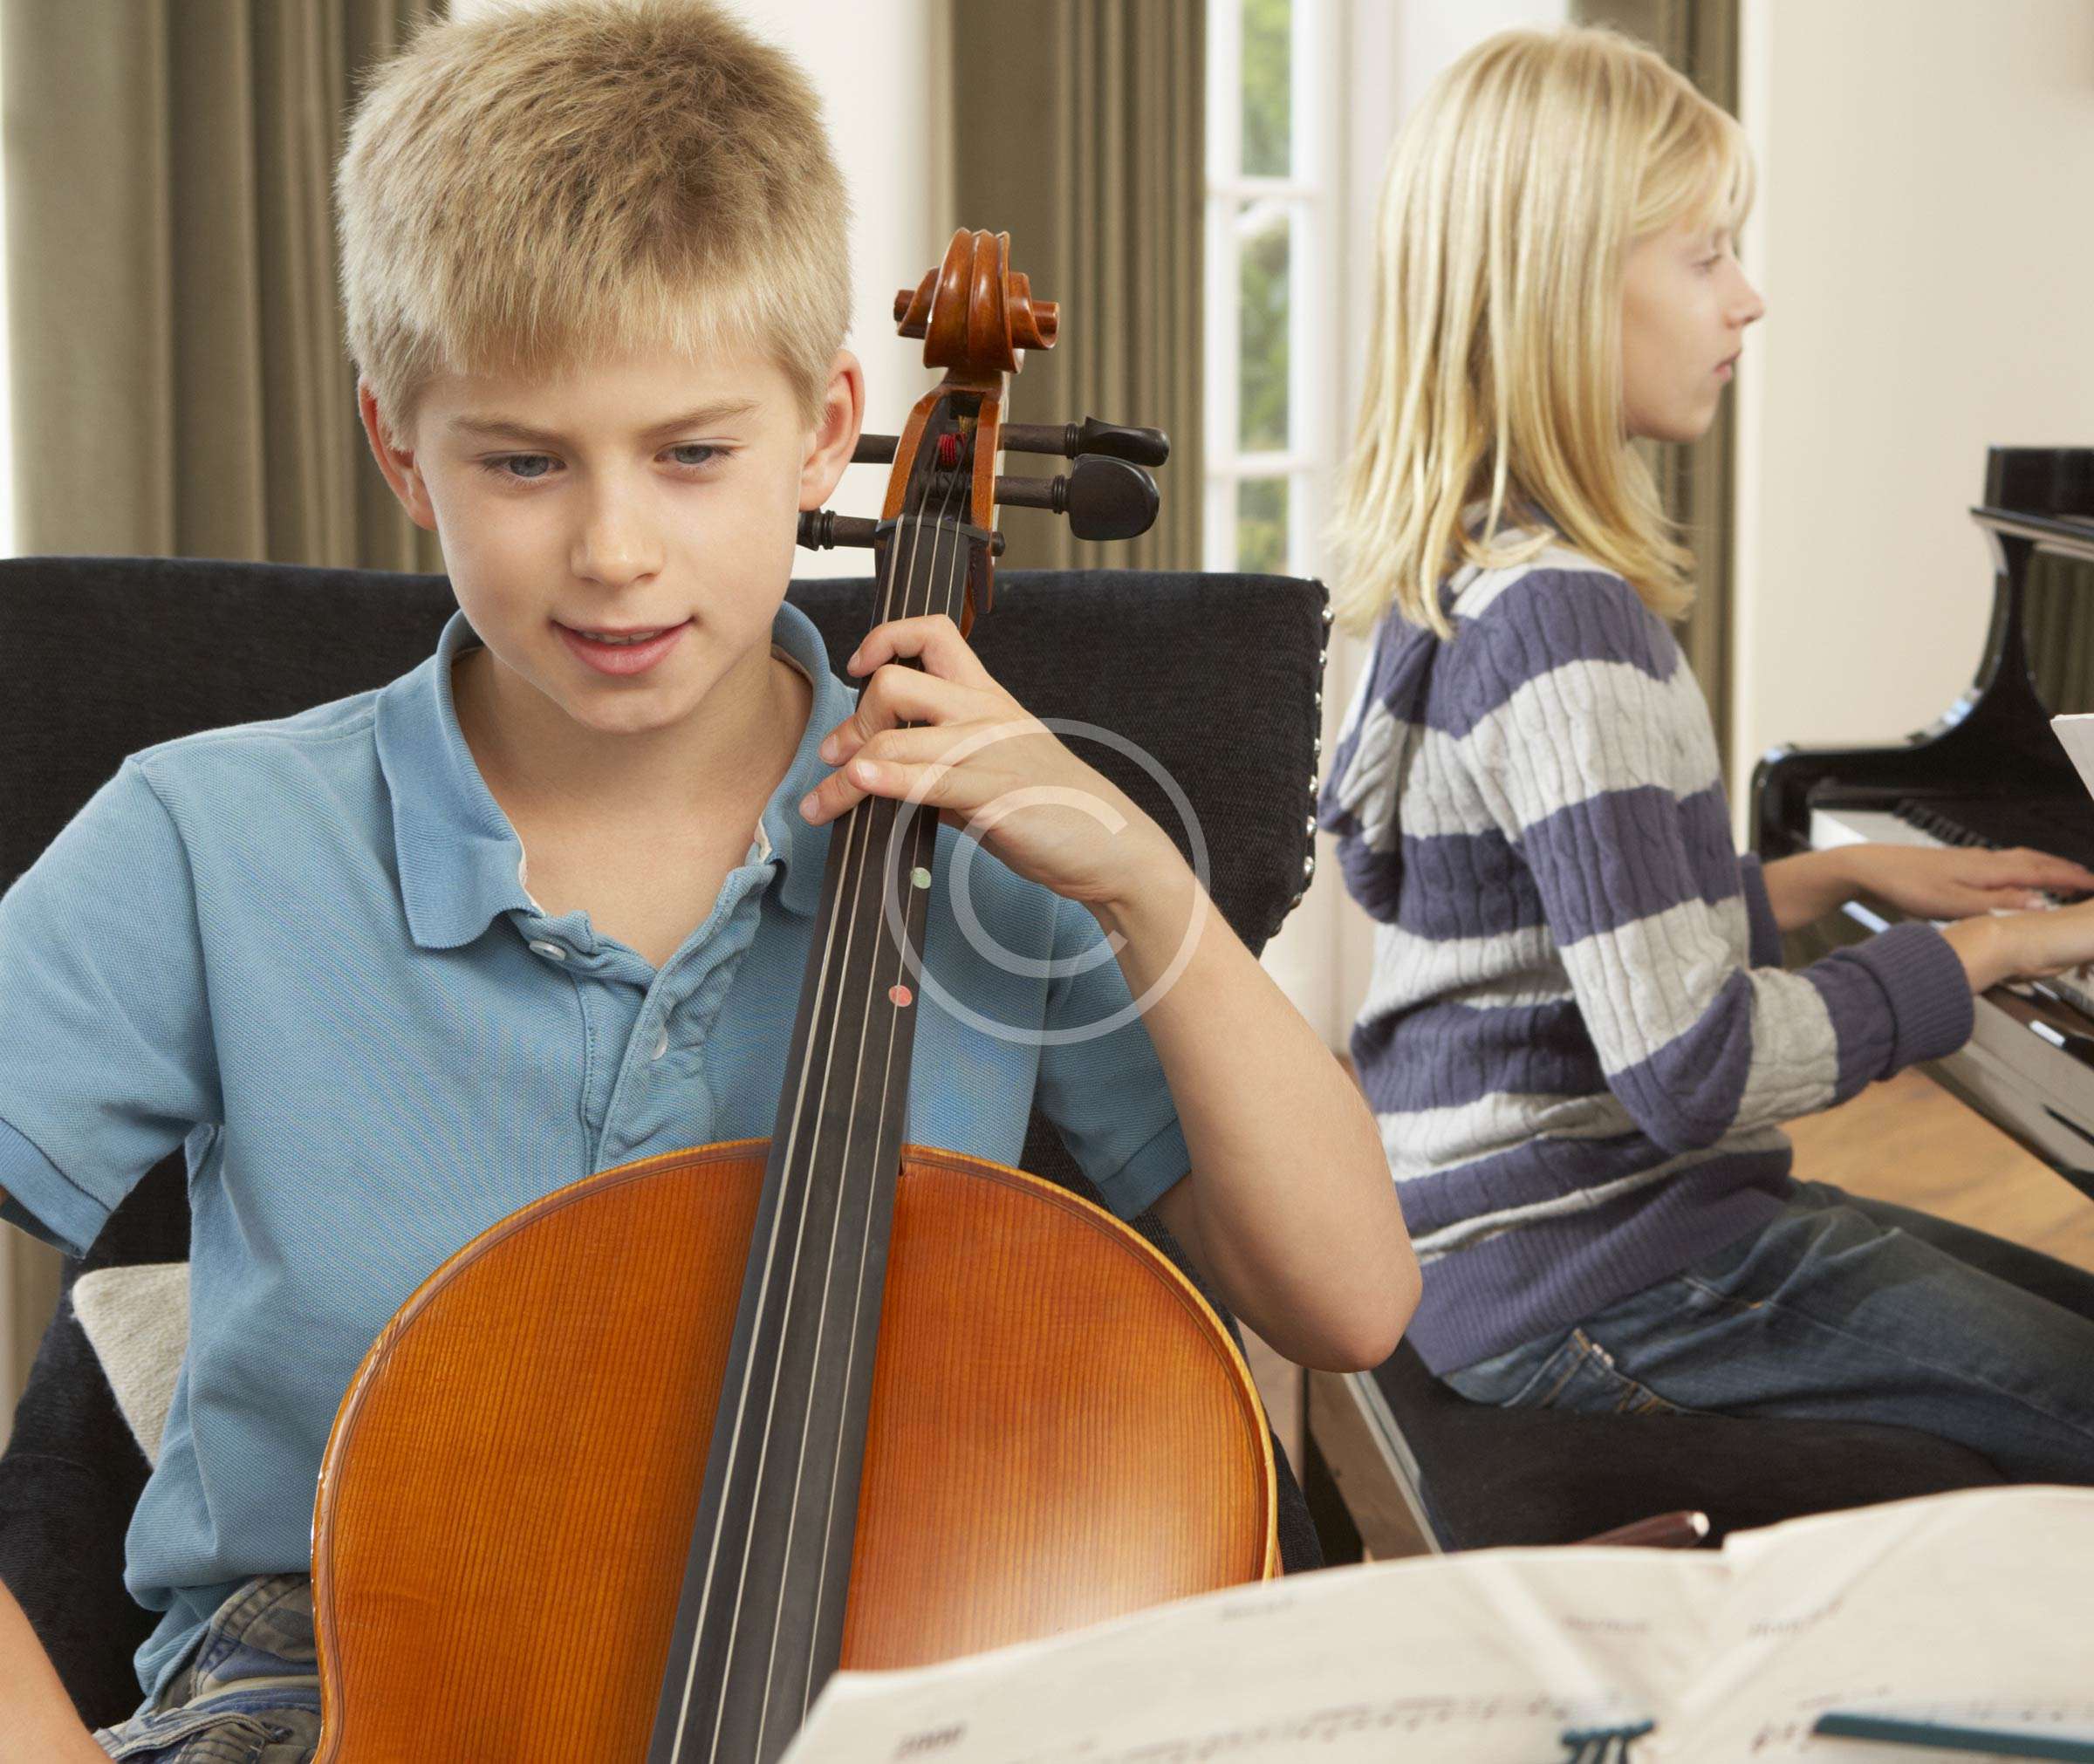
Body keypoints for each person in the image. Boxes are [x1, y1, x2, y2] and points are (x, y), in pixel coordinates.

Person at [0, 3, 1418, 1757]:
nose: (612, 549)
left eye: (692, 453)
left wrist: (1138, 885)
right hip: (333, 1680)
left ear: (828, 430)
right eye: (521, 462)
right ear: (398, 447)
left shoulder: (968, 851)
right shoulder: (208, 845)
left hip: (876, 1662)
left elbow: (1349, 1300)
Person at [1318, 24, 2094, 1479]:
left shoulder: (1464, 577)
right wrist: (1989, 959)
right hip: (1599, 1274)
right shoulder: (1570, 626)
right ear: (1561, 290)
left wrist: (1838, 875)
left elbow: (1537, 934)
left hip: (1518, 1236)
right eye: (1705, 257)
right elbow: (1692, 1064)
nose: (1751, 297)